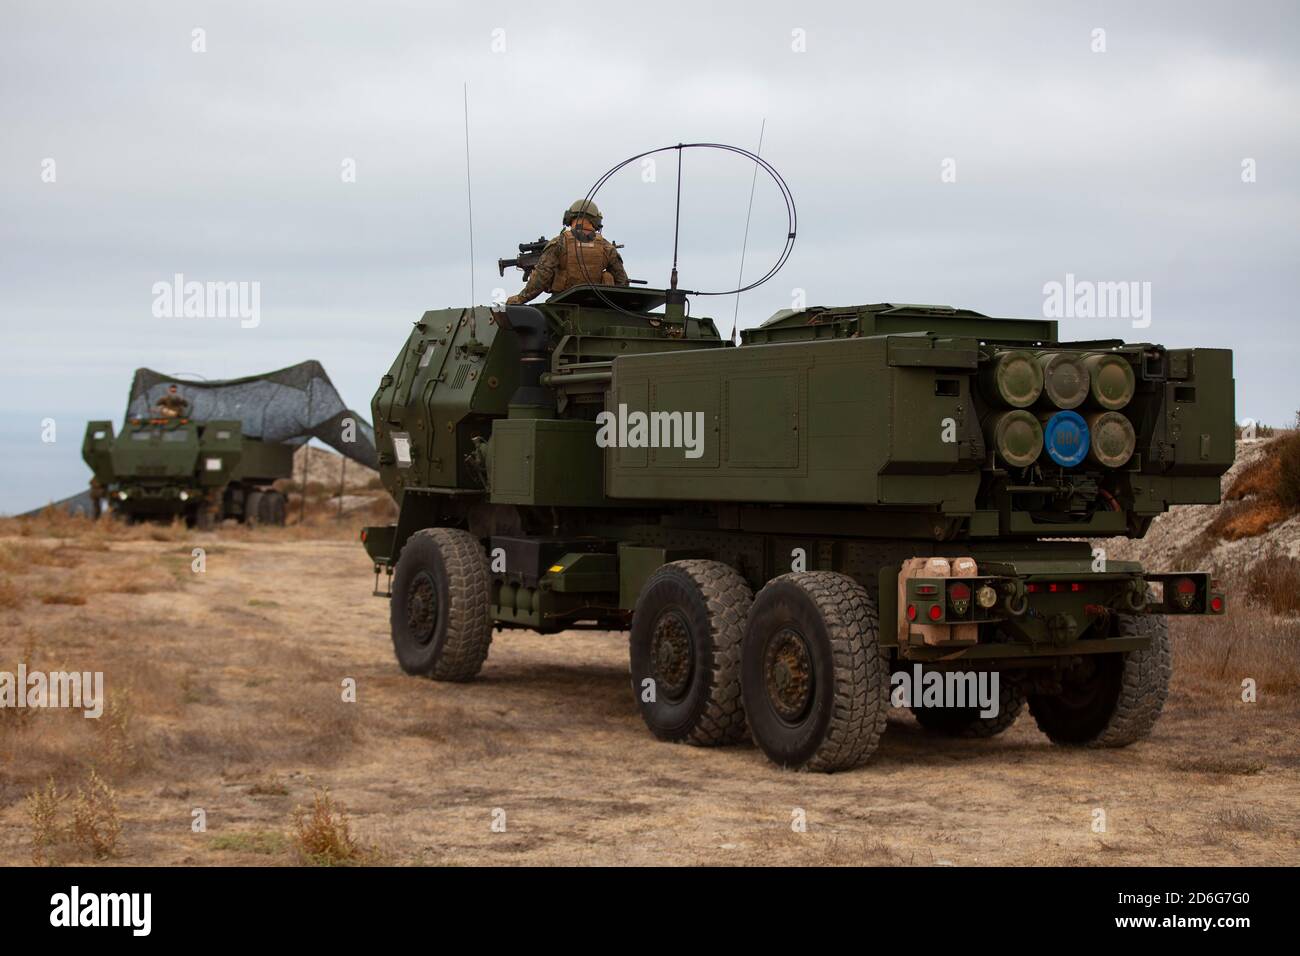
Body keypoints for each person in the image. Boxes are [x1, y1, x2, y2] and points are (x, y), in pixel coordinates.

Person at [506, 199, 628, 305]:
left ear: (570, 217)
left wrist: (519, 299)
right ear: (596, 220)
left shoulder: (559, 243)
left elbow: (541, 277)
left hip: (562, 304)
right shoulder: (607, 247)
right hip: (597, 306)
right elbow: (622, 282)